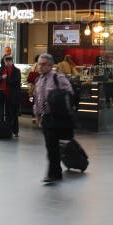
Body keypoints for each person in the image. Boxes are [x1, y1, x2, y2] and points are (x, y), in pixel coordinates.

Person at [33, 53, 74, 183]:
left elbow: (69, 93)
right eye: (39, 64)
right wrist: (37, 115)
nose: (40, 66)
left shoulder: (58, 78)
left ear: (51, 65)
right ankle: (55, 173)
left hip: (57, 116)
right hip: (46, 118)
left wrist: (58, 99)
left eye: (43, 64)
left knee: (53, 146)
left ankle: (53, 173)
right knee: (51, 146)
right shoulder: (38, 80)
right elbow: (37, 99)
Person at [0, 55, 22, 136]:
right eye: (6, 61)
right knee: (6, 114)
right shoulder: (2, 70)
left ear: (12, 62)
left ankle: (15, 131)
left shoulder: (17, 71)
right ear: (4, 62)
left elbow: (16, 81)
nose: (8, 63)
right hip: (3, 96)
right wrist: (1, 77)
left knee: (14, 114)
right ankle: (7, 131)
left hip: (13, 96)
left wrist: (6, 79)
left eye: (9, 61)